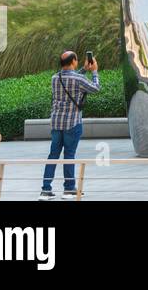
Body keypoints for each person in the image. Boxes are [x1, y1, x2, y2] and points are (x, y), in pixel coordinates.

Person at [40, 51, 101, 200]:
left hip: (56, 122)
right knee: (69, 155)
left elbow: (71, 78)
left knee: (53, 155)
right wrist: (94, 72)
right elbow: (96, 88)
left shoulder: (55, 78)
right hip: (72, 123)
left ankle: (46, 190)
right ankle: (69, 189)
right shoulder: (78, 79)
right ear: (73, 61)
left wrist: (84, 70)